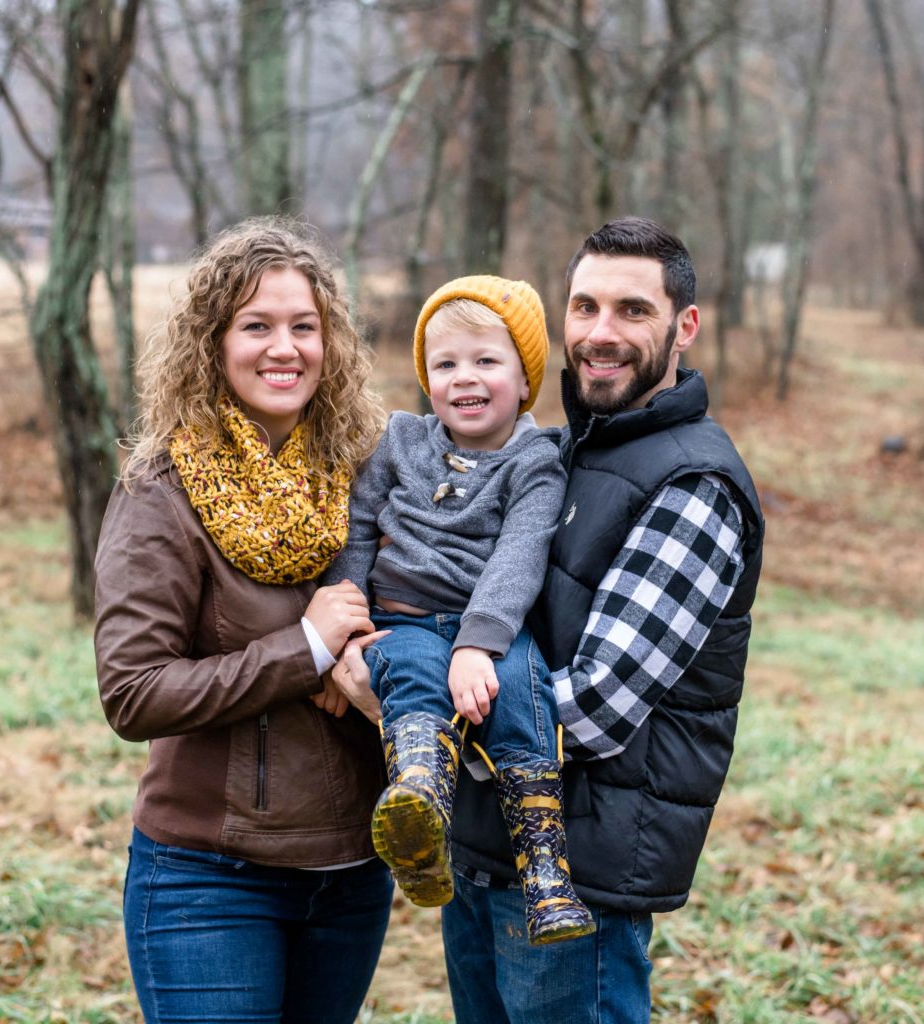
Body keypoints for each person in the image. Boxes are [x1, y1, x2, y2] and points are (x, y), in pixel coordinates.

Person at [335, 217, 765, 1023]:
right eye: (585, 307)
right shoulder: (563, 451)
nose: (601, 333)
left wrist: (406, 715)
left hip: (581, 880)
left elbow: (595, 711)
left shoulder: (692, 486)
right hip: (486, 851)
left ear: (686, 326)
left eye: (633, 310)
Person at [93, 217, 392, 1024]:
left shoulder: (367, 469)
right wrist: (305, 648)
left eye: (304, 326)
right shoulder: (162, 489)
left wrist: (377, 666)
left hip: (353, 873)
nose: (283, 348)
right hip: (208, 880)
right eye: (256, 326)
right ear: (213, 344)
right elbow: (132, 692)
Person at [322, 275, 593, 945]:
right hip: (405, 617)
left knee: (522, 697)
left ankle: (544, 870)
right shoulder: (400, 439)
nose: (462, 379)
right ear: (426, 378)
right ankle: (421, 813)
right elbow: (358, 525)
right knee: (412, 681)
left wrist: (478, 642)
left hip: (493, 627)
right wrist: (350, 618)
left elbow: (521, 552)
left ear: (526, 378)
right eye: (444, 365)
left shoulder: (536, 459)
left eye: (485, 361)